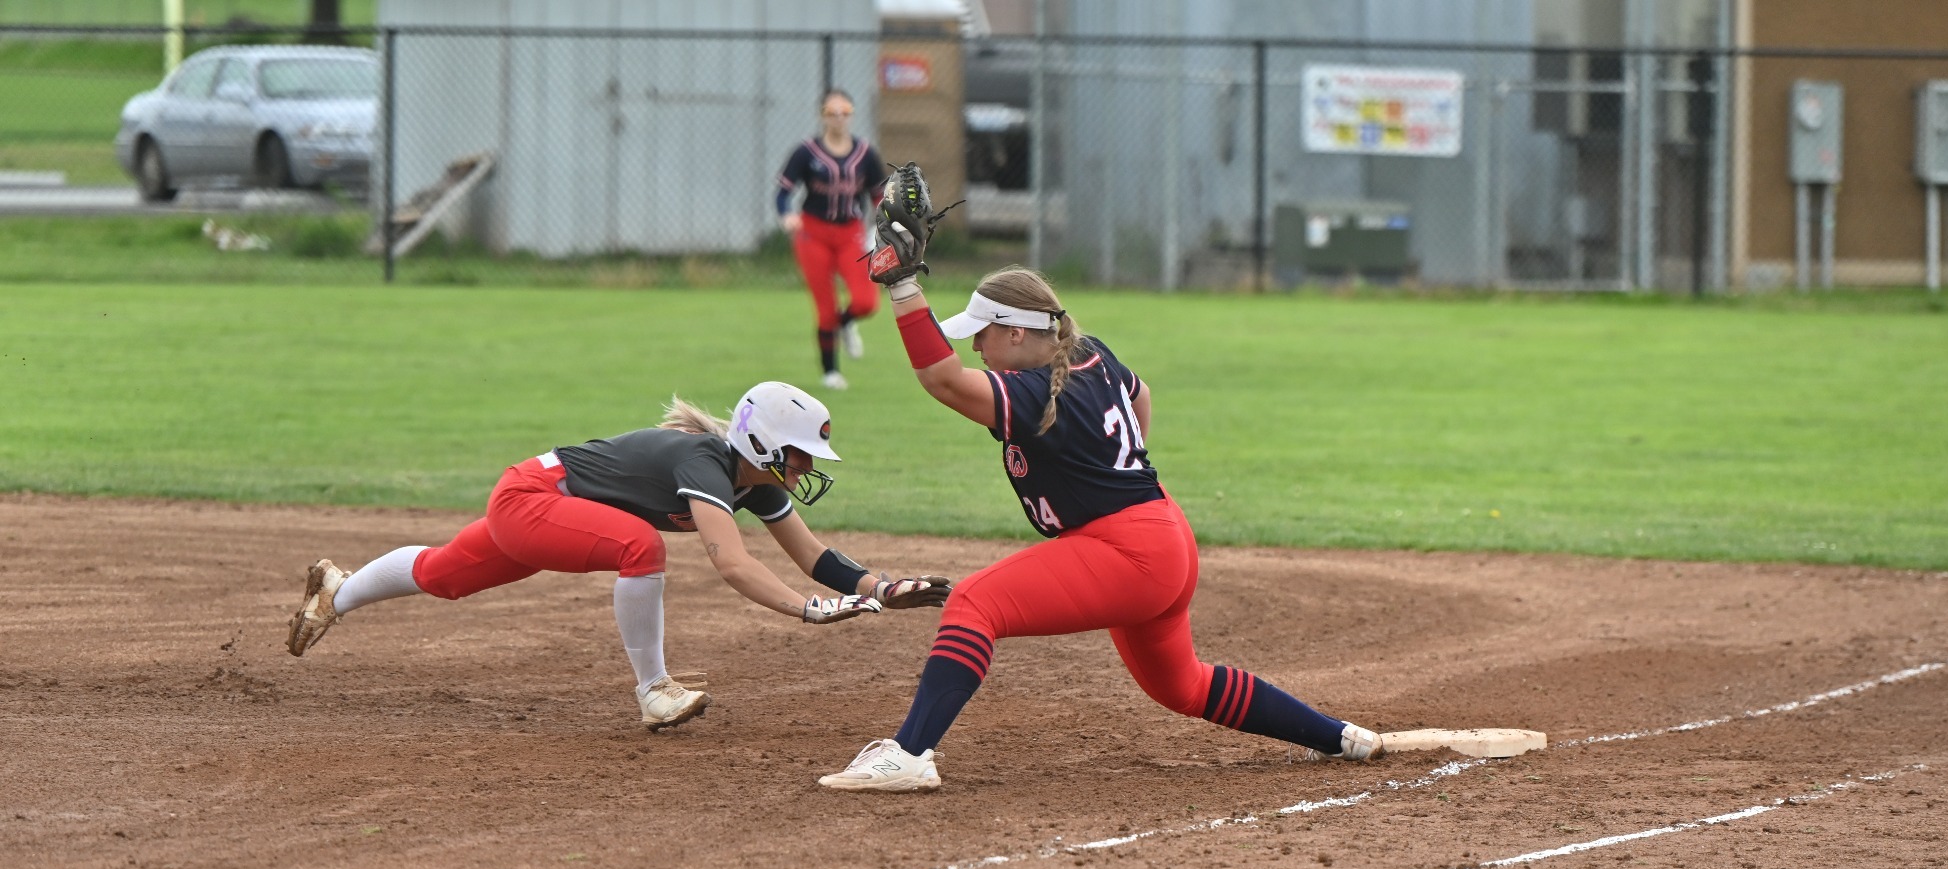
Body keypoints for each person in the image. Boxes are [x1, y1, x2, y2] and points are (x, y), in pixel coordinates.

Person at [819, 210, 1383, 790]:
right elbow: (1139, 398)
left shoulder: (1038, 391)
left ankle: (909, 755)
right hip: (1166, 535)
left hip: (1128, 550)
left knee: (972, 605)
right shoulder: (1089, 351)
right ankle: (1336, 735)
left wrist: (904, 287)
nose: (979, 348)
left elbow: (942, 380)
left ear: (1016, 332)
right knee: (1182, 686)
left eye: (982, 335)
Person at [286, 382, 950, 731]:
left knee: (442, 574)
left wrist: (881, 589)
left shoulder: (755, 484)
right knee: (642, 545)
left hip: (540, 503)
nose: (808, 468)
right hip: (531, 496)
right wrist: (806, 612)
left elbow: (814, 557)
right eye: (802, 454)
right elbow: (731, 563)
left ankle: (334, 594)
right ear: (766, 446)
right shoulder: (705, 463)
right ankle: (655, 691)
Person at [776, 88, 888, 392]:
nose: (838, 118)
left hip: (850, 230)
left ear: (851, 115)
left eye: (844, 112)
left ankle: (847, 321)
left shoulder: (865, 153)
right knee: (825, 307)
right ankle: (830, 371)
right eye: (831, 113)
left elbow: (879, 195)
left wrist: (883, 224)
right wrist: (787, 214)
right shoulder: (806, 152)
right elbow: (784, 191)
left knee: (866, 302)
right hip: (813, 232)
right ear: (822, 116)